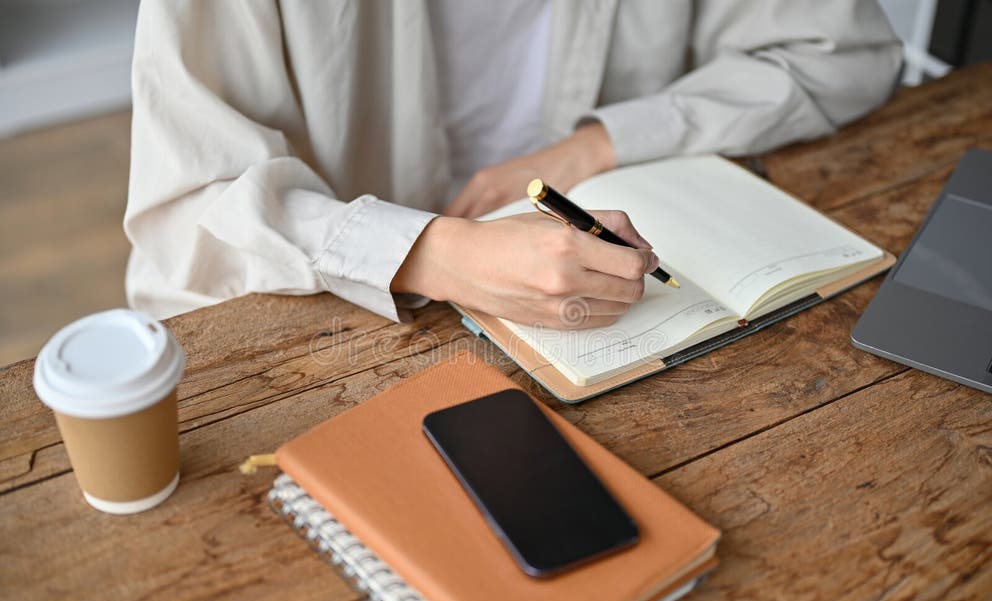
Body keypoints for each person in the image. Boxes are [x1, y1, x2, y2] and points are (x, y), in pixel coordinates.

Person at [124, 1, 901, 328]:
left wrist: (597, 143)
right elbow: (190, 207)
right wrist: (429, 253)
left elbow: (843, 50)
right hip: (321, 315)